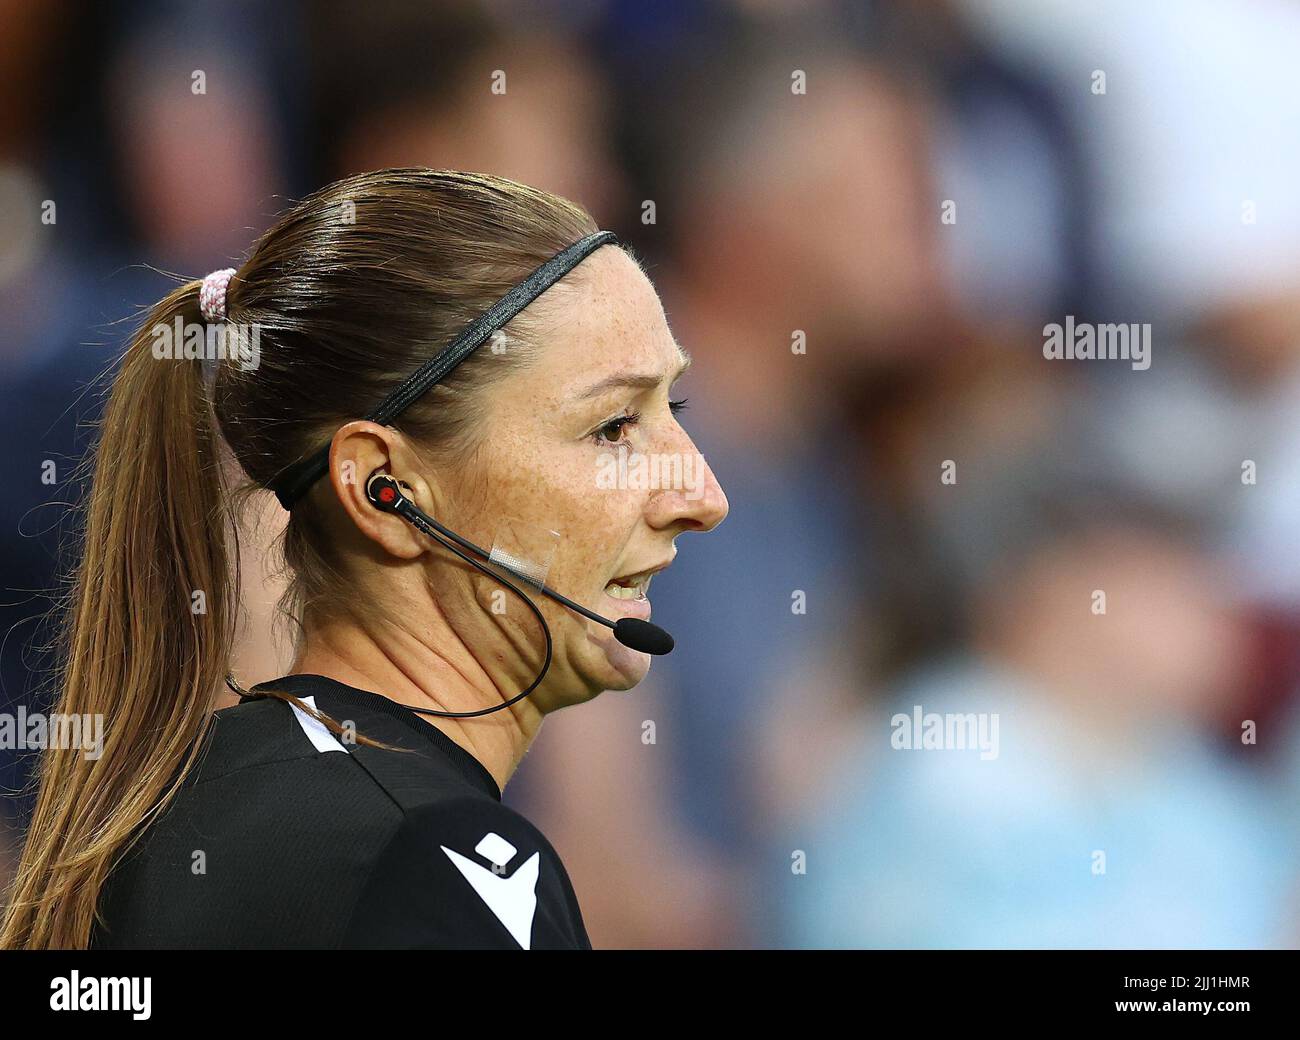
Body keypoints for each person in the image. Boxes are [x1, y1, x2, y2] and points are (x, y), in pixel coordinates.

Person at [0, 168, 728, 949]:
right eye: (614, 427)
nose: (702, 496)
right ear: (384, 489)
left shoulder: (151, 831)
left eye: (672, 408)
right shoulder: (442, 865)